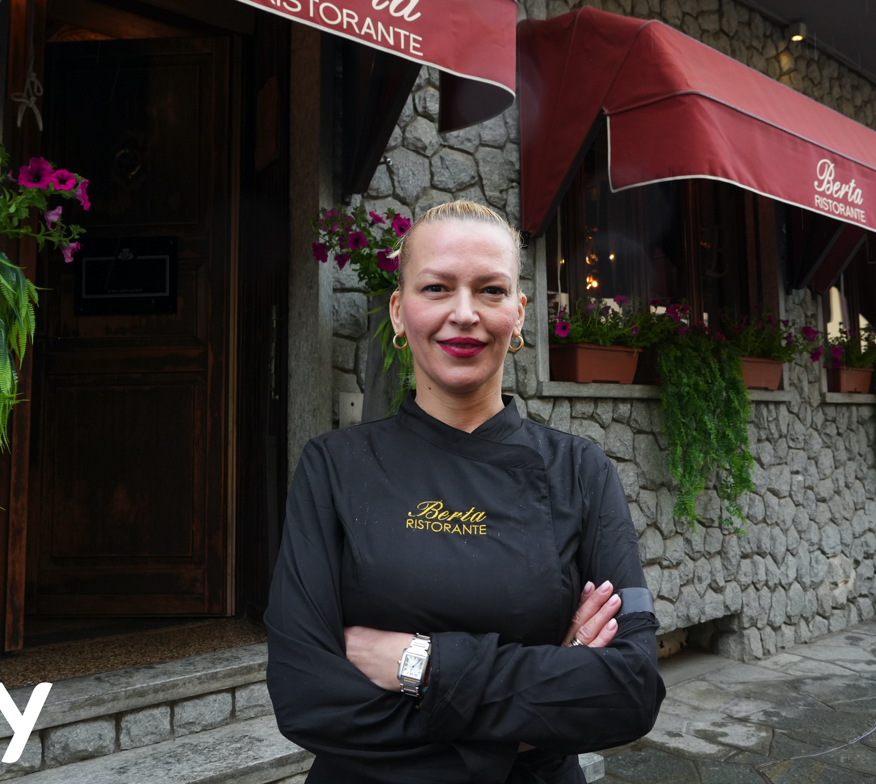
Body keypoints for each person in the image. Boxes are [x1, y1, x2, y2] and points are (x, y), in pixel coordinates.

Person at [265, 200, 665, 784]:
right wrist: (552, 688)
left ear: (518, 313)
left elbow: (631, 689)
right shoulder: (334, 467)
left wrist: (419, 663)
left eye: (490, 290)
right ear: (399, 312)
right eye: (436, 288)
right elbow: (306, 696)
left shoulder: (581, 471)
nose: (464, 313)